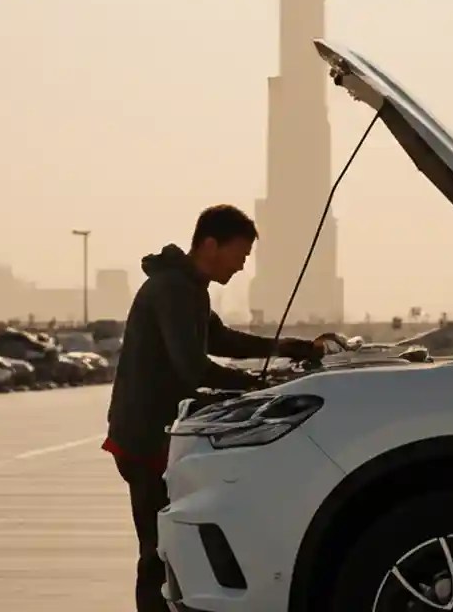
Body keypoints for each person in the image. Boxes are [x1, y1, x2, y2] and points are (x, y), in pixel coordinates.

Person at [103, 203, 330, 612]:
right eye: (239, 255)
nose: (242, 266)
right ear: (211, 244)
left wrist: (284, 348)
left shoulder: (189, 287)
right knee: (157, 551)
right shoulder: (173, 289)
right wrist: (256, 385)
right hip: (146, 436)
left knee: (171, 547)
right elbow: (191, 366)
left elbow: (222, 340)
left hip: (159, 433)